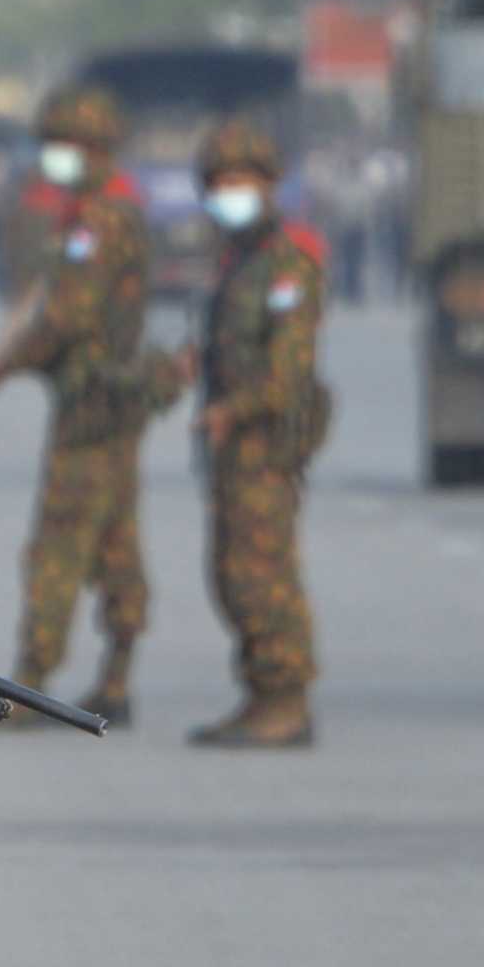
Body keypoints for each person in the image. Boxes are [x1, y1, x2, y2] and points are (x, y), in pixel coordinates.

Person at [0, 87, 182, 727]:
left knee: (59, 544)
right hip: (113, 402)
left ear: (95, 150)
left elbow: (63, 316)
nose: (56, 158)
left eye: (67, 146)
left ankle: (30, 684)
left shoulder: (98, 223)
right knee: (113, 541)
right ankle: (116, 676)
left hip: (91, 405)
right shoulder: (106, 214)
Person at [190, 122, 331, 749]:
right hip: (232, 447)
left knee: (262, 573)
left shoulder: (286, 267)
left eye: (241, 182)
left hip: (265, 443)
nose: (230, 194)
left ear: (269, 186)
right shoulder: (239, 265)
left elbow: (289, 372)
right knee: (230, 573)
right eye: (219, 184)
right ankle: (260, 694)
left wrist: (234, 410)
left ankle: (286, 697)